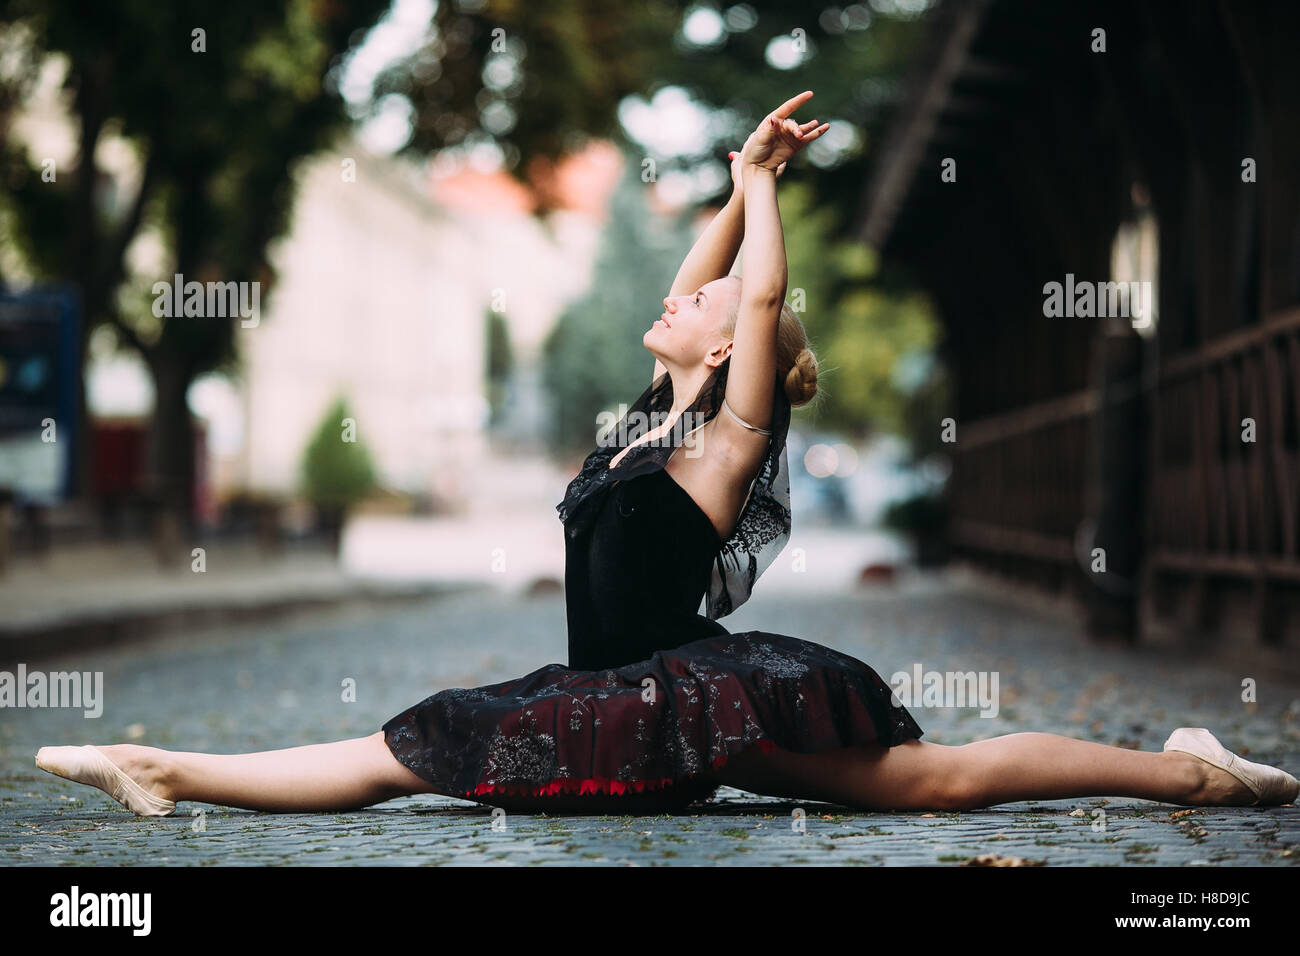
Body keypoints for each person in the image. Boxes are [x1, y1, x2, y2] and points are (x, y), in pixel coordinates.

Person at [36, 92, 1297, 818]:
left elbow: (745, 304)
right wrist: (731, 191)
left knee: (937, 781)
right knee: (412, 747)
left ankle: (1191, 772)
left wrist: (760, 190)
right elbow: (710, 296)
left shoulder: (725, 436)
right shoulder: (654, 420)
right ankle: (159, 763)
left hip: (682, 695)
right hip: (640, 694)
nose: (677, 297)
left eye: (694, 304)